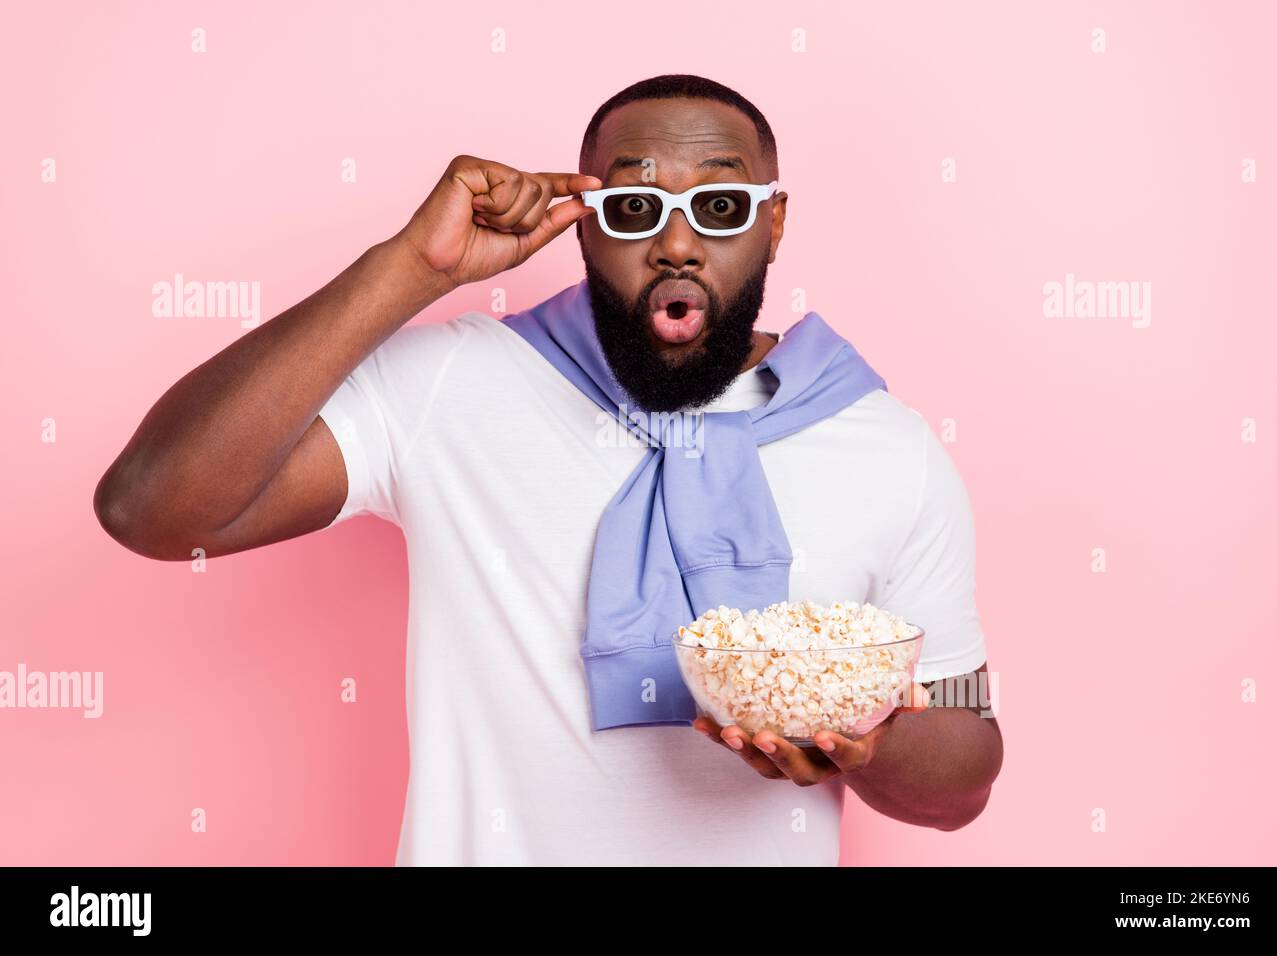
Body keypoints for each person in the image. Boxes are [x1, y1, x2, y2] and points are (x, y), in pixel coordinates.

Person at [94, 73, 1003, 866]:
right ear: (583, 225)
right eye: (635, 208)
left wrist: (863, 747)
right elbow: (152, 508)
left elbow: (965, 767)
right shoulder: (456, 382)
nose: (676, 246)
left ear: (773, 224)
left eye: (720, 208)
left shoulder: (891, 450)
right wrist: (413, 267)